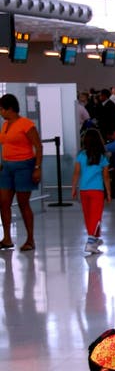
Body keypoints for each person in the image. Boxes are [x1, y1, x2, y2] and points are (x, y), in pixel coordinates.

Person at [0, 93, 43, 252]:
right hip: (6, 166)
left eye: (2, 109)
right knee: (3, 202)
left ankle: (30, 239)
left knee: (23, 203)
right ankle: (6, 238)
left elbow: (38, 146)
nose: (0, 112)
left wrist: (37, 168)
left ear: (9, 109)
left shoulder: (26, 124)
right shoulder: (5, 125)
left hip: (24, 166)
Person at [71, 128, 111, 255]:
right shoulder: (102, 157)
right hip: (97, 191)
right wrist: (108, 193)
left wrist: (74, 188)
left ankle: (94, 239)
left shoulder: (81, 156)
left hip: (84, 190)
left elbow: (76, 173)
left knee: (88, 216)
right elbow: (105, 177)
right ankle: (90, 241)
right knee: (96, 216)